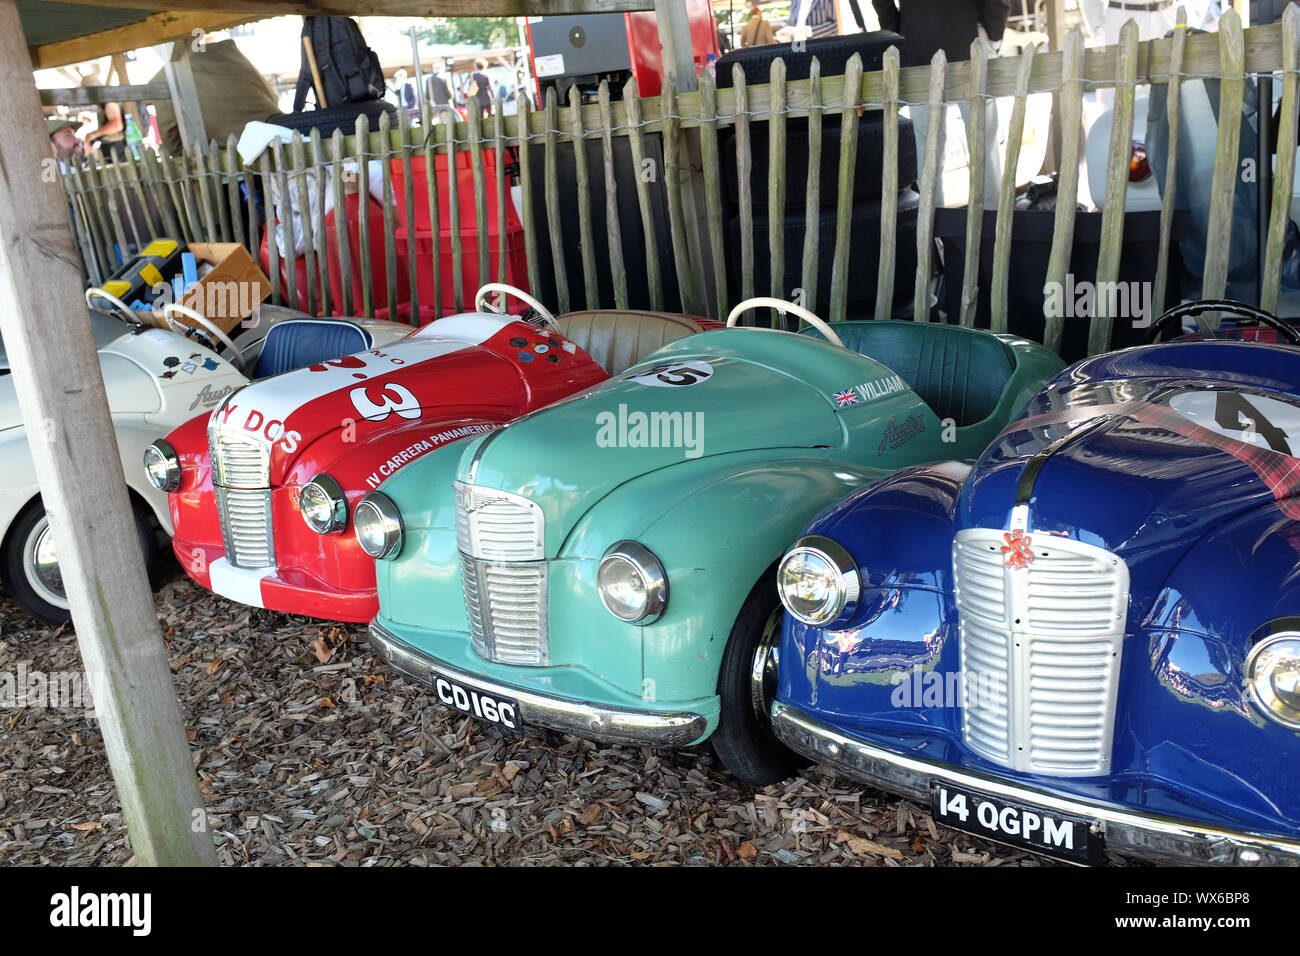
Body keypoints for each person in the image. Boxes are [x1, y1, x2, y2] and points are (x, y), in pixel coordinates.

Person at [147, 38, 281, 156]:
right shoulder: (227, 50)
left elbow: (173, 144)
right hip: (278, 133)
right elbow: (272, 96)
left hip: (234, 154)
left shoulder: (164, 78)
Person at [872, 0, 1011, 66]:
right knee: (982, 121)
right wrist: (995, 35)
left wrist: (897, 33)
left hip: (917, 41)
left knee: (925, 123)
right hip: (969, 37)